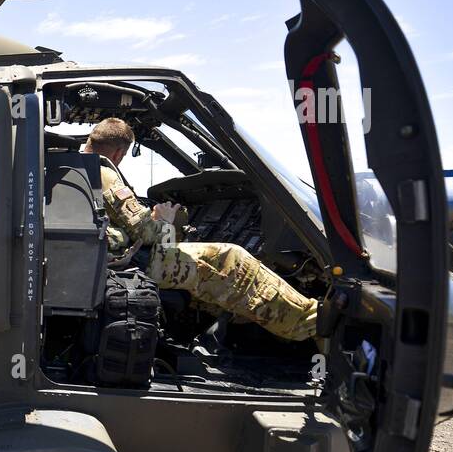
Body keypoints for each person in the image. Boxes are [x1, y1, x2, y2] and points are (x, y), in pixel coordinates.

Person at [83, 118, 317, 341]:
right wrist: (165, 220)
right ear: (118, 153)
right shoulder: (102, 173)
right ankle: (312, 322)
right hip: (123, 261)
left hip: (98, 259)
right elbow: (147, 234)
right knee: (230, 260)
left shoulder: (73, 165)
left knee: (210, 287)